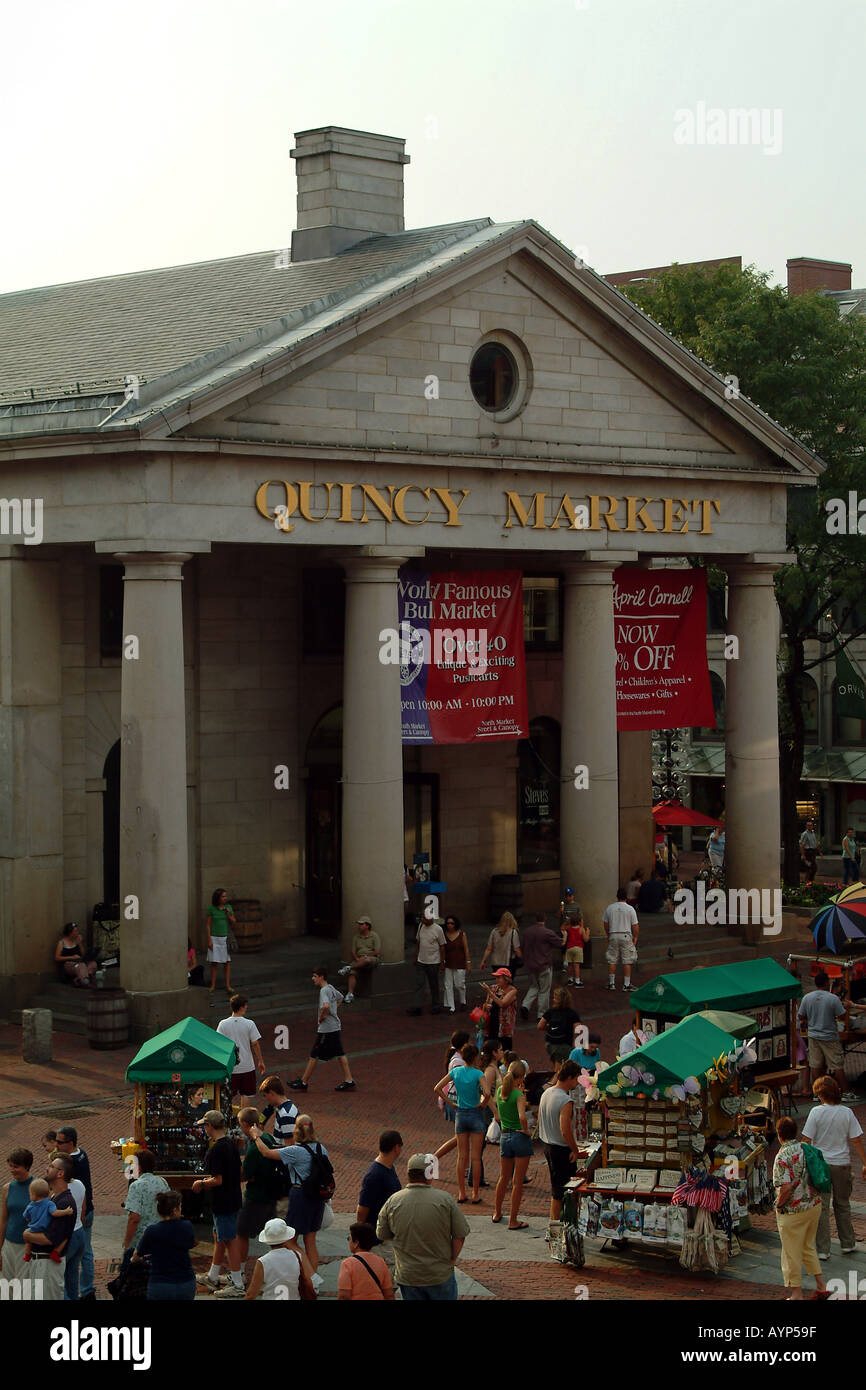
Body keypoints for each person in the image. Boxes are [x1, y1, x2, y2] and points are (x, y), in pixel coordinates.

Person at [376, 1152, 470, 1301]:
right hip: (439, 1274)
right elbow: (460, 1235)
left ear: (408, 1174)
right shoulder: (445, 1200)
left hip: (409, 1275)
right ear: (429, 1174)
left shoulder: (393, 1201)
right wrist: (452, 1258)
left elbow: (382, 1234)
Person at [249, 1114, 331, 1274]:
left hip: (301, 1196)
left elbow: (266, 1152)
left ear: (296, 1131)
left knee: (290, 1240)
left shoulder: (296, 1151)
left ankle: (309, 1276)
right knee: (310, 1240)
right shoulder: (322, 1149)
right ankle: (313, 1278)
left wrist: (255, 1137)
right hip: (318, 1197)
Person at [802, 1075, 866, 1258]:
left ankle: (823, 1249)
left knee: (821, 1207)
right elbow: (856, 1140)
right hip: (842, 1164)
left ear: (821, 1095)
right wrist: (864, 1163)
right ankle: (847, 1243)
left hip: (820, 1165)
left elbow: (806, 1140)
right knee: (843, 1204)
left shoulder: (816, 1112)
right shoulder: (846, 1112)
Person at [773, 1115, 829, 1301]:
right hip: (813, 1204)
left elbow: (786, 1187)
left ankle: (796, 1294)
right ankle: (821, 1285)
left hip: (793, 1210)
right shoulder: (806, 1148)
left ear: (779, 1134)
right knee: (807, 1247)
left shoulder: (782, 1156)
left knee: (790, 1252)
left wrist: (779, 1206)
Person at [191, 1110, 244, 1297]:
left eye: (205, 1125)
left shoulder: (216, 1150)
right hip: (234, 1197)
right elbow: (238, 1172)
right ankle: (213, 1276)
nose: (204, 1129)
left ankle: (237, 1283)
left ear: (210, 1126)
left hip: (223, 1201)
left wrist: (202, 1183)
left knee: (229, 1241)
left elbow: (218, 1180)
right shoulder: (230, 1144)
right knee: (219, 1237)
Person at [433, 1041, 491, 1204]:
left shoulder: (456, 1071)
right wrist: (483, 1103)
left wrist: (451, 1103)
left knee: (461, 1156)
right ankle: (475, 1193)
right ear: (474, 1058)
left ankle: (461, 1192)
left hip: (461, 1115)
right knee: (475, 1157)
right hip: (476, 1114)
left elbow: (437, 1087)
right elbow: (487, 1092)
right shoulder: (478, 1074)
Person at [288, 967, 355, 1092]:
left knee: (315, 1053)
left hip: (327, 1028)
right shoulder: (331, 988)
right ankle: (349, 1080)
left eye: (314, 976)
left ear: (321, 977)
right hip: (334, 1026)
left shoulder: (324, 990)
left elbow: (325, 1005)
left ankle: (303, 1082)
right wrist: (333, 1012)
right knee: (340, 1053)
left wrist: (323, 1015)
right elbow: (340, 998)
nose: (313, 978)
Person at [235, 1107, 283, 1267]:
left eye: (240, 1124)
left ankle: (239, 1271)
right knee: (274, 1236)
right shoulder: (268, 1138)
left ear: (245, 1124)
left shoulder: (254, 1148)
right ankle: (280, 1266)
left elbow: (244, 1176)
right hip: (271, 1195)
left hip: (256, 1197)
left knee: (240, 1233)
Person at [797, 971, 853, 1100]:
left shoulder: (807, 997)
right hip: (830, 1036)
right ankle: (846, 1093)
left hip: (813, 1036)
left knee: (815, 1064)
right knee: (837, 1064)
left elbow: (801, 1015)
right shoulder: (832, 998)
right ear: (827, 983)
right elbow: (842, 1016)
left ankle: (817, 1093)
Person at [28, 1155, 77, 1300]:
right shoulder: (54, 1198)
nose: (47, 1168)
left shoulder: (64, 1203)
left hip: (48, 1266)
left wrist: (27, 1235)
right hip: (41, 1262)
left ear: (60, 1173)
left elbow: (50, 1239)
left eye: (51, 1166)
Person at [132, 1190, 196, 1301]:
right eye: (180, 1207)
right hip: (186, 1282)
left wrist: (135, 1259)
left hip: (160, 1284)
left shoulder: (152, 1231)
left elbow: (137, 1254)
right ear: (175, 1210)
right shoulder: (187, 1226)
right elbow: (191, 1243)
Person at [55, 1126, 96, 1301]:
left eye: (59, 1142)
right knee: (87, 1252)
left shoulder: (69, 1162)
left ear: (70, 1143)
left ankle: (78, 1293)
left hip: (77, 1216)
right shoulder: (82, 1154)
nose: (56, 1145)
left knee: (70, 1260)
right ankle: (87, 1290)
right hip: (87, 1211)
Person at [538, 1060, 580, 1223]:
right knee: (561, 1192)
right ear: (569, 1077)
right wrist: (575, 1150)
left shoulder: (547, 1093)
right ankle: (556, 1226)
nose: (577, 1083)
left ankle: (554, 1224)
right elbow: (565, 1130)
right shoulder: (565, 1100)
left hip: (547, 1144)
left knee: (556, 1189)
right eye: (576, 1079)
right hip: (560, 1149)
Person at [493, 1060, 532, 1230]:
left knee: (503, 1177)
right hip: (518, 1136)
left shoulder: (501, 1090)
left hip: (505, 1136)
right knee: (517, 1182)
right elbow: (523, 1117)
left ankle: (497, 1212)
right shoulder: (519, 1095)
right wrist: (526, 1130)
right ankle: (513, 1220)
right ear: (521, 1077)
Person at [244, 1217, 315, 1301]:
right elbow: (309, 1281)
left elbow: (251, 1294)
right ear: (286, 1238)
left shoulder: (263, 1261)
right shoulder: (297, 1256)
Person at [356, 1130, 402, 1256]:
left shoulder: (389, 1168)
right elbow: (362, 1210)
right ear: (396, 1148)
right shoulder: (374, 1175)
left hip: (387, 1237)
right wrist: (362, 1237)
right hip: (378, 1243)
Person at [216, 994, 266, 1099]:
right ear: (242, 1007)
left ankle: (229, 1115)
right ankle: (244, 1114)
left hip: (231, 1067)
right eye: (245, 1005)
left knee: (228, 1096)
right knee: (247, 1095)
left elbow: (219, 1044)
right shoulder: (249, 1023)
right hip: (247, 1066)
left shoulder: (223, 1024)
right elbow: (255, 1043)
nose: (246, 1007)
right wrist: (260, 1060)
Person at [433, 1030, 470, 1163]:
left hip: (455, 1101)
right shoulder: (458, 1062)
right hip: (456, 1102)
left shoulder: (457, 1058)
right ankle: (435, 1158)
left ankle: (463, 1166)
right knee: (461, 1137)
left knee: (462, 1137)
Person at [122, 1149, 169, 1253]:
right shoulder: (162, 1182)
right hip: (162, 1236)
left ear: (139, 1168)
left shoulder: (136, 1186)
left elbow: (134, 1218)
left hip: (142, 1241)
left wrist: (127, 1243)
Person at [0, 1147, 33, 1292]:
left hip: (26, 1245)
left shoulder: (37, 1187)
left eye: (16, 1166)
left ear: (26, 1166)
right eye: (11, 1166)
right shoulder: (7, 1188)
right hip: (9, 1244)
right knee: (6, 1284)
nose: (12, 1170)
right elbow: (3, 1220)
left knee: (23, 1285)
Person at [520, 910, 564, 1019]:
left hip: (530, 965)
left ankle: (525, 1005)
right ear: (545, 919)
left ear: (535, 919)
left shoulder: (526, 932)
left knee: (534, 986)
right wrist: (565, 935)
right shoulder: (547, 932)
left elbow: (522, 947)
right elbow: (560, 943)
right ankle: (542, 1014)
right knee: (544, 990)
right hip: (544, 965)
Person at [338, 1222, 395, 1301]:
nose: (349, 1241)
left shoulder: (348, 1264)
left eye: (349, 1238)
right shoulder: (381, 1262)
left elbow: (344, 1295)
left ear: (356, 1243)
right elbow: (389, 1294)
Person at [407, 911, 447, 1016]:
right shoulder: (421, 926)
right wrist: (416, 956)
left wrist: (443, 962)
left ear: (431, 918)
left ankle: (436, 1005)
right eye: (422, 917)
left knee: (433, 984)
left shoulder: (438, 929)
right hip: (421, 960)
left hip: (433, 962)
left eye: (425, 918)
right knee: (419, 984)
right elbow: (418, 942)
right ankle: (417, 1006)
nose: (422, 920)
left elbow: (442, 946)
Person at [338, 914, 383, 1004]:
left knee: (366, 960)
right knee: (352, 973)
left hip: (371, 958)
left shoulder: (374, 935)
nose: (359, 926)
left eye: (361, 924)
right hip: (359, 960)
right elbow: (353, 951)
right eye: (359, 924)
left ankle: (348, 967)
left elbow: (377, 951)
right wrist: (357, 959)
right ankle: (350, 994)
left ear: (367, 925)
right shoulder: (356, 937)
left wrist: (366, 956)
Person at [603, 887, 639, 992]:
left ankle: (611, 983)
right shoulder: (630, 909)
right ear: (626, 897)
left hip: (613, 934)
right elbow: (635, 925)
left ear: (617, 896)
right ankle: (626, 984)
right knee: (627, 960)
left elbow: (605, 923)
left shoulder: (610, 908)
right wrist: (635, 936)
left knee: (612, 959)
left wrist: (607, 934)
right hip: (626, 935)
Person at [538, 987, 583, 1065]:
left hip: (549, 1044)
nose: (553, 999)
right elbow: (578, 1030)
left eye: (554, 998)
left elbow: (540, 1026)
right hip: (564, 1045)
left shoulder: (550, 1011)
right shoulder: (572, 1013)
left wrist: (551, 1027)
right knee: (562, 1069)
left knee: (556, 1064)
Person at [206, 887, 235, 992]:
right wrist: (209, 940)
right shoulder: (211, 909)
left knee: (226, 963)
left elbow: (233, 921)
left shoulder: (228, 907)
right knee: (214, 963)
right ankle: (212, 985)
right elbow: (208, 925)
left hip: (225, 938)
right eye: (223, 896)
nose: (225, 898)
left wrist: (228, 914)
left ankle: (228, 985)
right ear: (217, 898)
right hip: (214, 938)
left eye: (225, 896)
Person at [259, 1075, 298, 1148]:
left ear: (271, 1093)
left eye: (265, 1095)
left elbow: (290, 1148)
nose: (266, 1099)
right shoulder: (282, 1108)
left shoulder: (286, 1115)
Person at [442, 914, 471, 1014]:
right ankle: (451, 1006)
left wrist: (468, 962)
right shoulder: (444, 934)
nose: (450, 925)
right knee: (448, 985)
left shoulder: (462, 934)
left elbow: (466, 949)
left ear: (456, 924)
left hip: (460, 962)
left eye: (452, 923)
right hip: (448, 963)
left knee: (460, 984)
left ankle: (463, 1001)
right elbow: (442, 949)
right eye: (448, 923)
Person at [54, 923, 97, 987]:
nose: (77, 932)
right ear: (70, 933)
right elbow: (57, 958)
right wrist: (72, 957)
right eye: (75, 931)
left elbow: (83, 954)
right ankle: (85, 982)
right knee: (81, 966)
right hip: (69, 964)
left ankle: (79, 979)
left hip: (79, 961)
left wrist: (80, 943)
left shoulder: (76, 941)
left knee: (93, 963)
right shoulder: (62, 943)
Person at [561, 909, 589, 988]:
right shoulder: (581, 929)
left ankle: (570, 980)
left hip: (569, 948)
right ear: (580, 921)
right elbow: (586, 939)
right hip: (578, 948)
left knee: (570, 964)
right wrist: (587, 932)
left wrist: (566, 921)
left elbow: (562, 928)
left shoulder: (569, 928)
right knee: (576, 965)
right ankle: (577, 981)